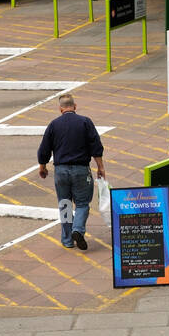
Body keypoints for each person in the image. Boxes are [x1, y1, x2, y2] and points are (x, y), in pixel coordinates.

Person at [37, 93, 106, 250]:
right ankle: (78, 230)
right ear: (75, 107)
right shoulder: (85, 122)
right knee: (82, 204)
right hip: (81, 170)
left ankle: (68, 240)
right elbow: (96, 146)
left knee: (65, 204)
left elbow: (44, 149)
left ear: (60, 109)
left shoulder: (54, 125)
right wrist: (100, 167)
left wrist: (43, 166)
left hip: (61, 171)